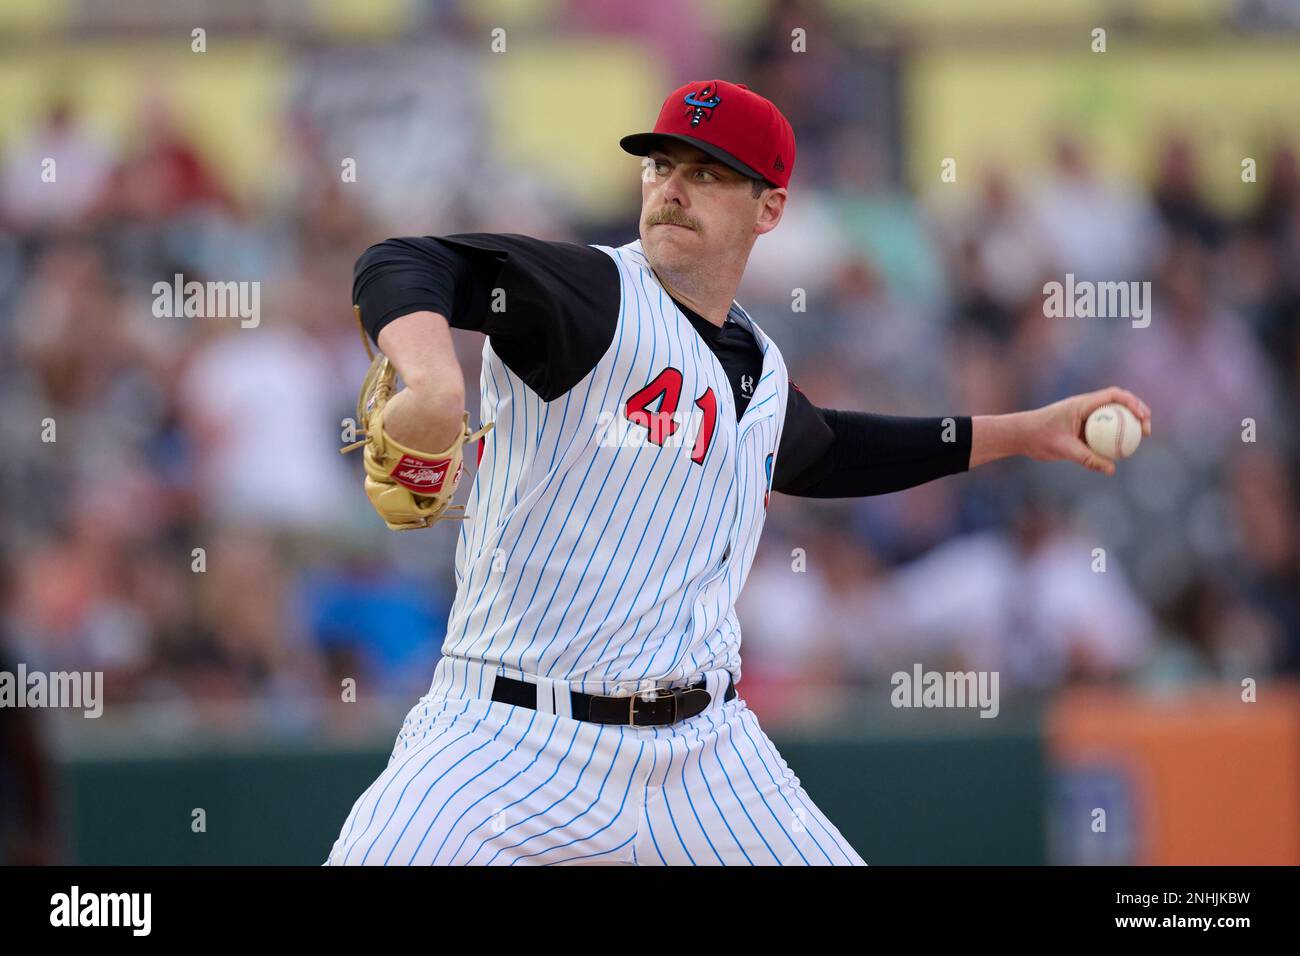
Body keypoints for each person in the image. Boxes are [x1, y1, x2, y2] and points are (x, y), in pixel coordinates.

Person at [326, 80, 1151, 866]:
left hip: (703, 755)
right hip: (507, 735)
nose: (673, 188)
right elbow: (405, 262)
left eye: (708, 173)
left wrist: (1025, 433)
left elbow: (826, 450)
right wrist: (433, 379)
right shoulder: (592, 296)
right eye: (662, 166)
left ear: (771, 208)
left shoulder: (755, 363)